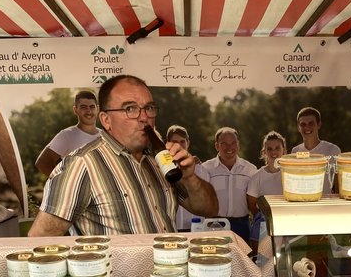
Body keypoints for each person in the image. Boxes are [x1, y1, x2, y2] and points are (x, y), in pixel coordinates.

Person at [29, 75, 218, 236]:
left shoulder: (159, 160)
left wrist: (190, 177)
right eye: (130, 109)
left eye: (149, 108)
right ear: (106, 120)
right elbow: (40, 239)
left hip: (168, 276)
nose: (144, 117)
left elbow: (209, 209)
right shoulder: (81, 165)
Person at [203, 127, 257, 241]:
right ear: (217, 146)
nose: (229, 147)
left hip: (242, 226)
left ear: (238, 145)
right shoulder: (206, 169)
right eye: (224, 144)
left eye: (233, 143)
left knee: (243, 258)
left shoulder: (250, 170)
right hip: (214, 225)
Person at [35, 90, 101, 177]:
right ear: (75, 110)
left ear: (97, 109)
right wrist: (63, 182)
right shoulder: (67, 135)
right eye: (83, 107)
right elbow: (42, 162)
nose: (89, 111)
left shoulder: (105, 135)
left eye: (92, 107)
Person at [246, 131, 287, 248]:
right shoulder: (256, 177)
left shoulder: (290, 173)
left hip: (286, 220)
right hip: (263, 223)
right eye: (269, 149)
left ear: (283, 150)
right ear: (264, 152)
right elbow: (252, 205)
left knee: (284, 261)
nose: (274, 152)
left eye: (277, 148)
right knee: (261, 260)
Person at [165, 124, 209, 231]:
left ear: (188, 143)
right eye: (175, 142)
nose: (179, 145)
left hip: (196, 229)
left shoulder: (201, 170)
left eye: (182, 141)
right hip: (171, 229)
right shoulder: (161, 169)